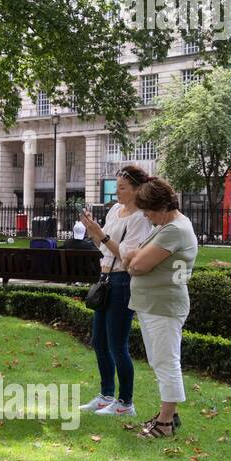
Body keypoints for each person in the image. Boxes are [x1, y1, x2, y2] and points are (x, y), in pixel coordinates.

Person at [76, 167, 153, 418]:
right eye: (116, 186)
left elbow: (127, 256)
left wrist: (102, 235)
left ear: (136, 190)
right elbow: (104, 247)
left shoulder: (141, 217)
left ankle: (125, 402)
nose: (117, 191)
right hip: (106, 277)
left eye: (122, 187)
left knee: (117, 345)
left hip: (123, 280)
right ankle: (106, 394)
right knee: (99, 341)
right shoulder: (114, 211)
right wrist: (92, 231)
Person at [125, 176, 198, 439]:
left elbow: (138, 265)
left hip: (163, 305)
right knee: (160, 361)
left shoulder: (173, 229)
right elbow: (136, 258)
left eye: (149, 211)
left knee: (166, 362)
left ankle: (166, 422)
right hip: (155, 304)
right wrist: (135, 257)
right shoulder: (169, 225)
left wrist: (133, 258)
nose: (146, 217)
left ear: (162, 206)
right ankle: (169, 414)